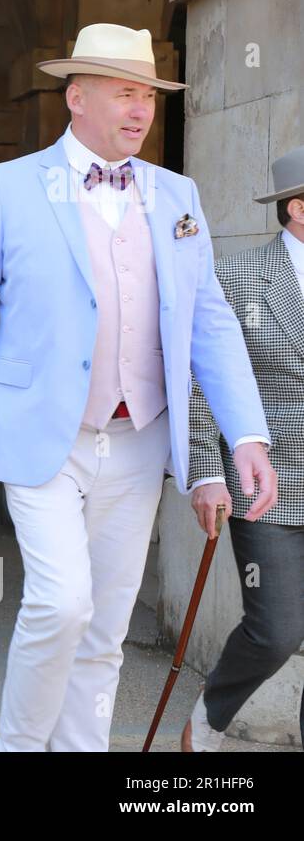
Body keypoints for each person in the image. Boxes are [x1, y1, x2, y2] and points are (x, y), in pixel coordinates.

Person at [0, 23, 277, 751]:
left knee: (106, 626)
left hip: (139, 440)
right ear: (77, 98)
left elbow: (209, 325)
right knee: (61, 602)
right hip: (40, 435)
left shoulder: (177, 195)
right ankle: (18, 747)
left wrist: (245, 435)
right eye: (124, 93)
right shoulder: (7, 187)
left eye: (147, 94)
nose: (140, 109)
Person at [183, 144, 304, 751]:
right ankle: (209, 715)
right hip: (268, 482)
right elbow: (207, 383)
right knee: (277, 628)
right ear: (299, 208)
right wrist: (206, 472)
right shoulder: (239, 276)